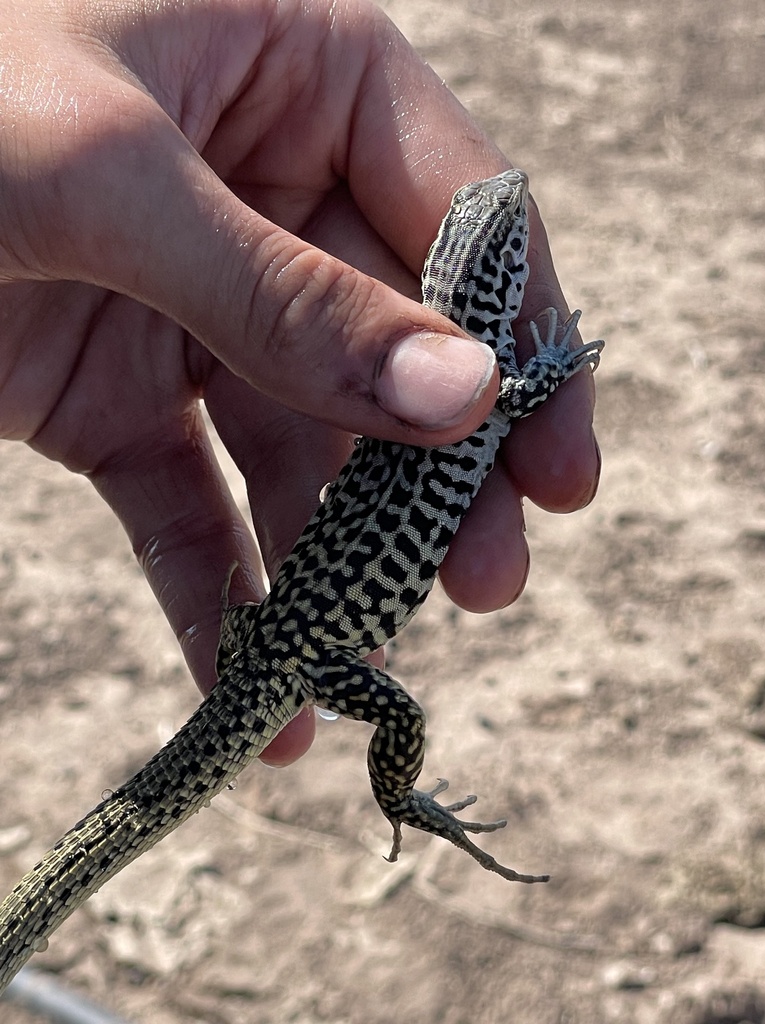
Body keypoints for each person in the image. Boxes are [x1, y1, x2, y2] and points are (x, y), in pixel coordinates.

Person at [0, 0, 601, 766]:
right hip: (296, 655)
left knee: (375, 711)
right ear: (499, 282)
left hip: (295, 647)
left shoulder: (454, 363)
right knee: (402, 719)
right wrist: (551, 366)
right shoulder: (470, 381)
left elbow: (507, 401)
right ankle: (402, 796)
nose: (512, 211)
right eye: (504, 246)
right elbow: (511, 399)